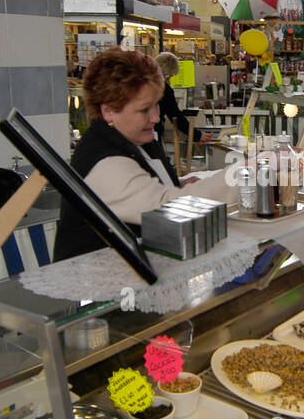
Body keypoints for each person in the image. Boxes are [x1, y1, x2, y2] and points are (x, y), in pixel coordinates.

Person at [54, 47, 229, 261]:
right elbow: (172, 209)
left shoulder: (135, 138)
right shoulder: (103, 160)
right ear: (108, 110)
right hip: (102, 283)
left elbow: (148, 188)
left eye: (156, 105)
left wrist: (176, 183)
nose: (156, 117)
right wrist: (246, 174)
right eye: (145, 110)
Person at [156, 51, 202, 144]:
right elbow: (175, 115)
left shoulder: (143, 83)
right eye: (170, 76)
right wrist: (196, 135)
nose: (169, 80)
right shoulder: (164, 88)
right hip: (153, 133)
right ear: (167, 72)